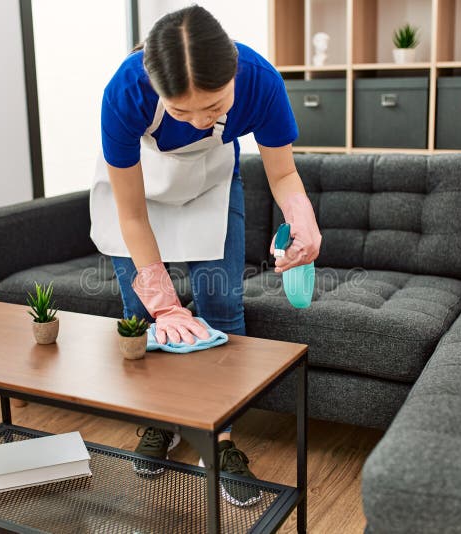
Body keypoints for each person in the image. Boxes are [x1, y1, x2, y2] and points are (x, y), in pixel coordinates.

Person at [90, 5, 321, 507]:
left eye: (214, 107)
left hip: (210, 186)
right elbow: (131, 214)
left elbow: (283, 175)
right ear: (155, 87)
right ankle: (160, 422)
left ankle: (220, 440)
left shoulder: (260, 81)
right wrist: (166, 303)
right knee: (142, 316)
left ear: (234, 72)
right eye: (180, 111)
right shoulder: (124, 94)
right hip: (141, 193)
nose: (199, 122)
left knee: (223, 311)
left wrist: (304, 220)